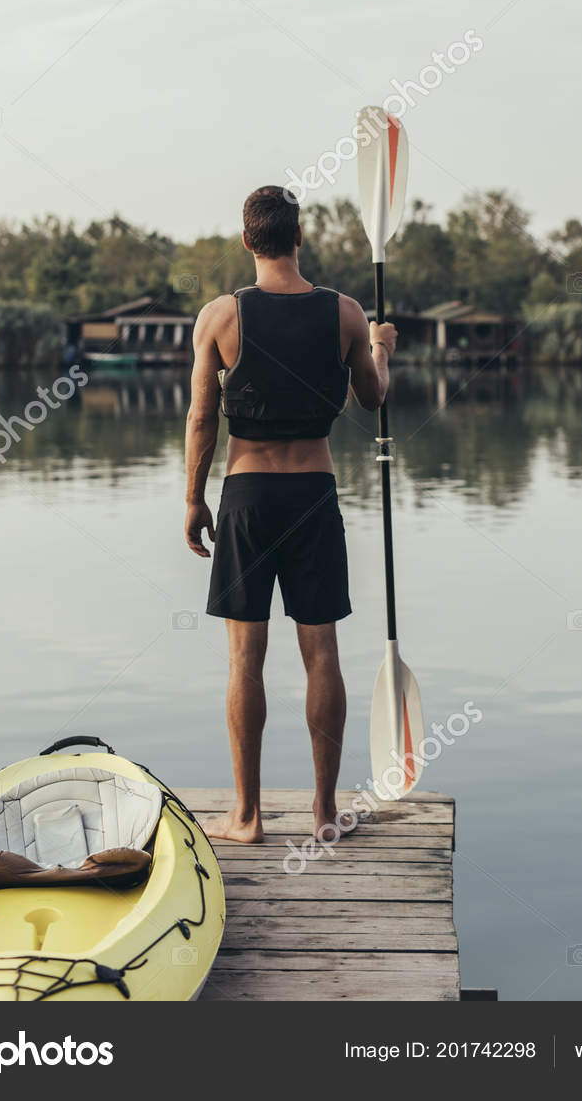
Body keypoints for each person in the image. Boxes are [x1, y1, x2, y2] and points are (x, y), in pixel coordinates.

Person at [184, 184, 397, 844]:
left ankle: (245, 818)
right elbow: (370, 397)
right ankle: (325, 813)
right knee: (321, 652)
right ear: (299, 238)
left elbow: (200, 418)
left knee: (244, 658)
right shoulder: (345, 314)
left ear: (249, 241)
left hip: (246, 496)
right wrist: (382, 347)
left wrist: (193, 497)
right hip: (313, 495)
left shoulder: (219, 316)